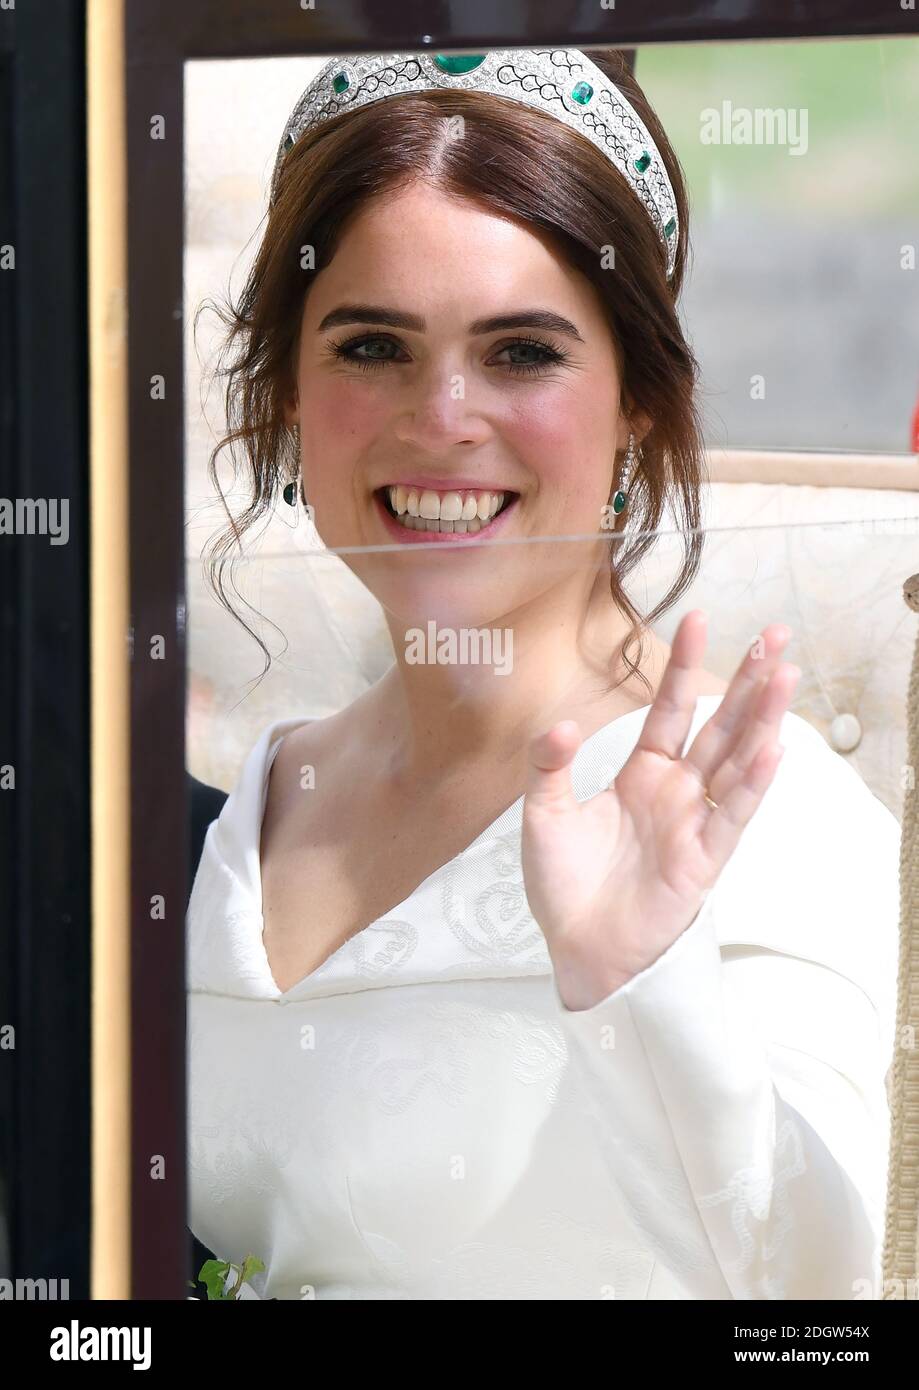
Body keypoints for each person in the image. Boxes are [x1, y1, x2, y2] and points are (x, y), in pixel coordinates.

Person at [186, 47, 900, 1300]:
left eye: (521, 352)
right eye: (371, 345)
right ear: (288, 394)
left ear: (638, 402)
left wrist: (645, 985)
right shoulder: (233, 818)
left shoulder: (766, 811)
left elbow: (812, 1296)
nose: (442, 418)